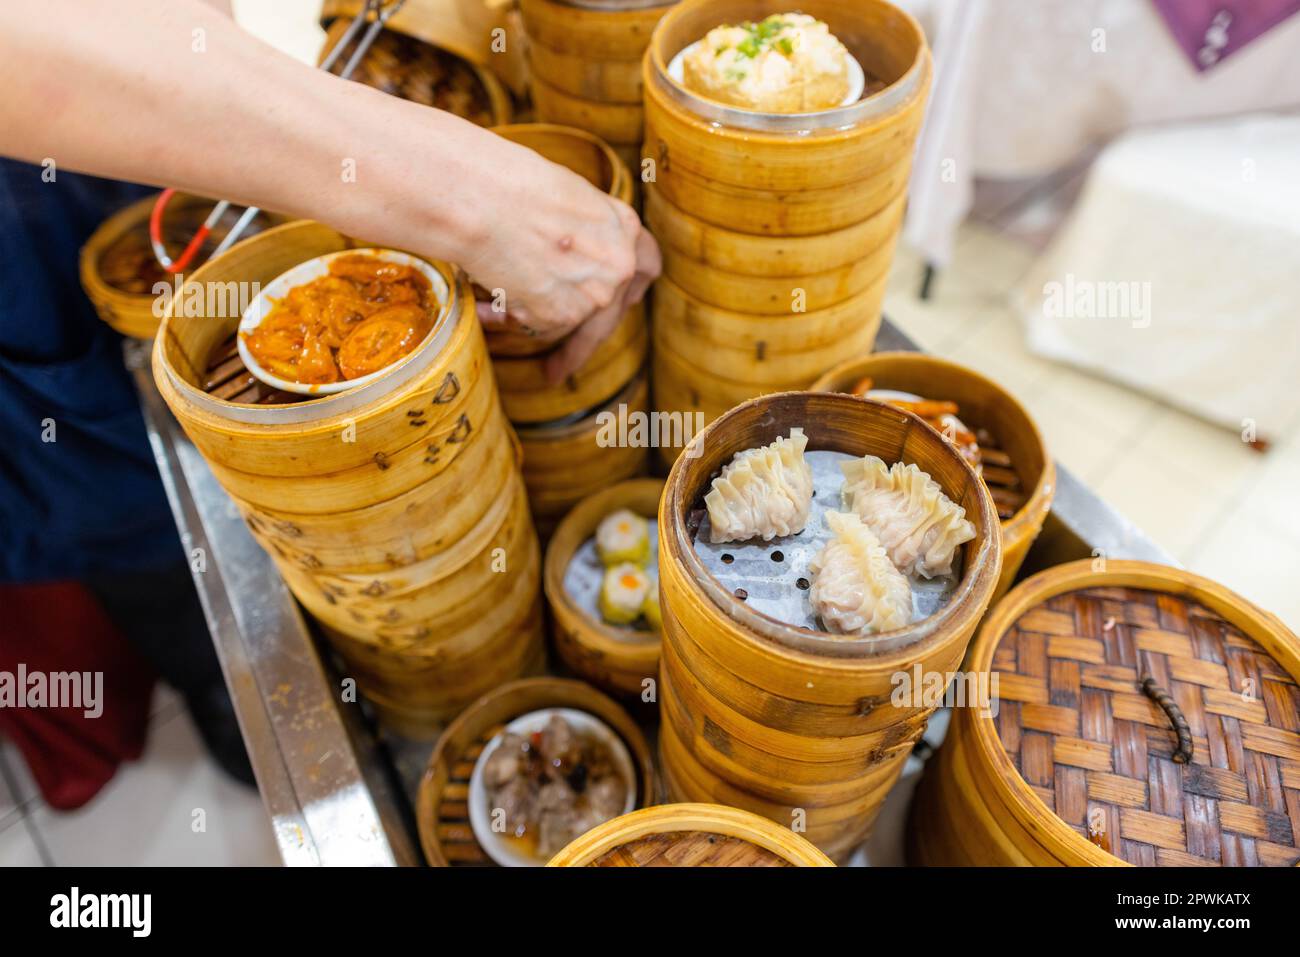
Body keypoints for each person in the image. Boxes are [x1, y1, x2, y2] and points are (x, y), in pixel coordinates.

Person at [0, 0, 660, 785]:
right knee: (119, 512)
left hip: (158, 116)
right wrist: (463, 192)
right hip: (28, 225)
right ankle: (214, 691)